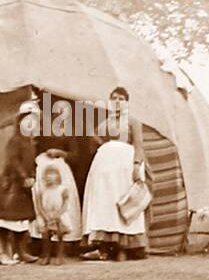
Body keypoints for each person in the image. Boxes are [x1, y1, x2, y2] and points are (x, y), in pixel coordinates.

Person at [81, 86, 149, 261]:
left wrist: (136, 165)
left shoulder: (133, 122)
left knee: (123, 202)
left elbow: (139, 145)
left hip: (124, 164)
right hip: (105, 166)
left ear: (127, 102)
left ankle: (124, 248)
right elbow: (94, 139)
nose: (117, 102)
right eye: (114, 99)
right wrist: (97, 140)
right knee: (106, 203)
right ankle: (104, 248)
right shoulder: (105, 123)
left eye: (121, 99)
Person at [0, 101, 40, 265]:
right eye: (27, 121)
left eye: (34, 122)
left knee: (21, 220)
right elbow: (13, 161)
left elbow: (31, 162)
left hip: (23, 188)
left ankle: (20, 251)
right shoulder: (15, 141)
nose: (30, 125)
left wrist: (33, 174)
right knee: (7, 220)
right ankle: (3, 252)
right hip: (11, 185)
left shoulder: (29, 144)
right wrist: (23, 176)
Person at [35, 164, 72, 265]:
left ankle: (60, 255)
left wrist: (58, 214)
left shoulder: (62, 189)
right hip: (46, 215)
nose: (50, 177)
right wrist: (45, 215)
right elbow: (39, 205)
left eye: (53, 174)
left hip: (59, 214)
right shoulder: (41, 190)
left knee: (60, 235)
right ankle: (46, 255)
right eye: (47, 174)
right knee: (46, 235)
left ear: (58, 176)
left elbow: (65, 204)